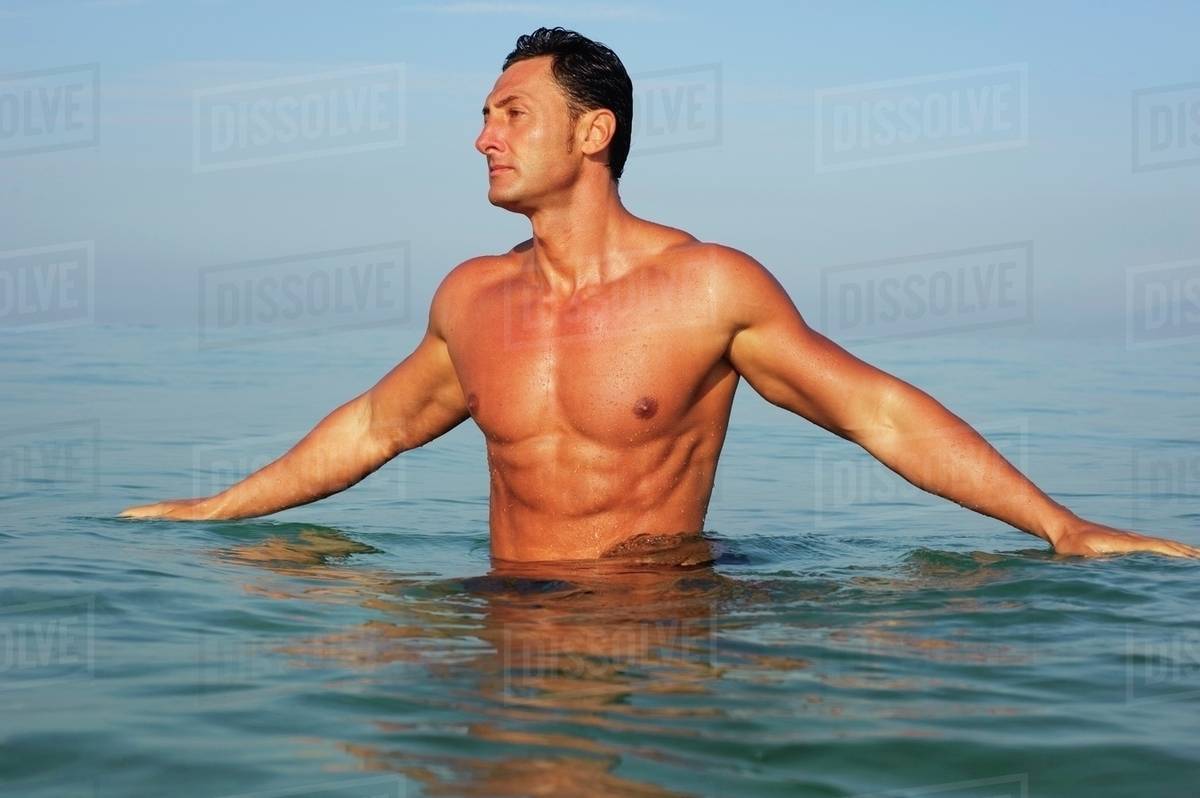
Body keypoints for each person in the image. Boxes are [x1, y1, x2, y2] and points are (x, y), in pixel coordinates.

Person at [120, 27, 1200, 563]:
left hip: (659, 636)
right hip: (497, 623)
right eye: (484, 117)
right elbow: (371, 427)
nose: (482, 137)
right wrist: (213, 513)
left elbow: (874, 410)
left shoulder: (707, 287)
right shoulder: (471, 298)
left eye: (510, 114)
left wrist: (1059, 528)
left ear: (595, 134)